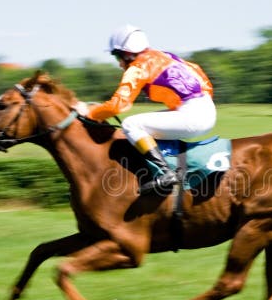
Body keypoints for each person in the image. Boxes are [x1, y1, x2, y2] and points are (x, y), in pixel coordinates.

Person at [76, 24, 216, 194]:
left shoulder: (137, 67)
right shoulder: (166, 55)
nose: (120, 64)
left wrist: (90, 113)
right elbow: (200, 74)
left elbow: (119, 105)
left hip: (191, 115)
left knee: (131, 124)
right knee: (146, 125)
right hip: (205, 107)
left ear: (127, 54)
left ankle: (166, 173)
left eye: (117, 57)